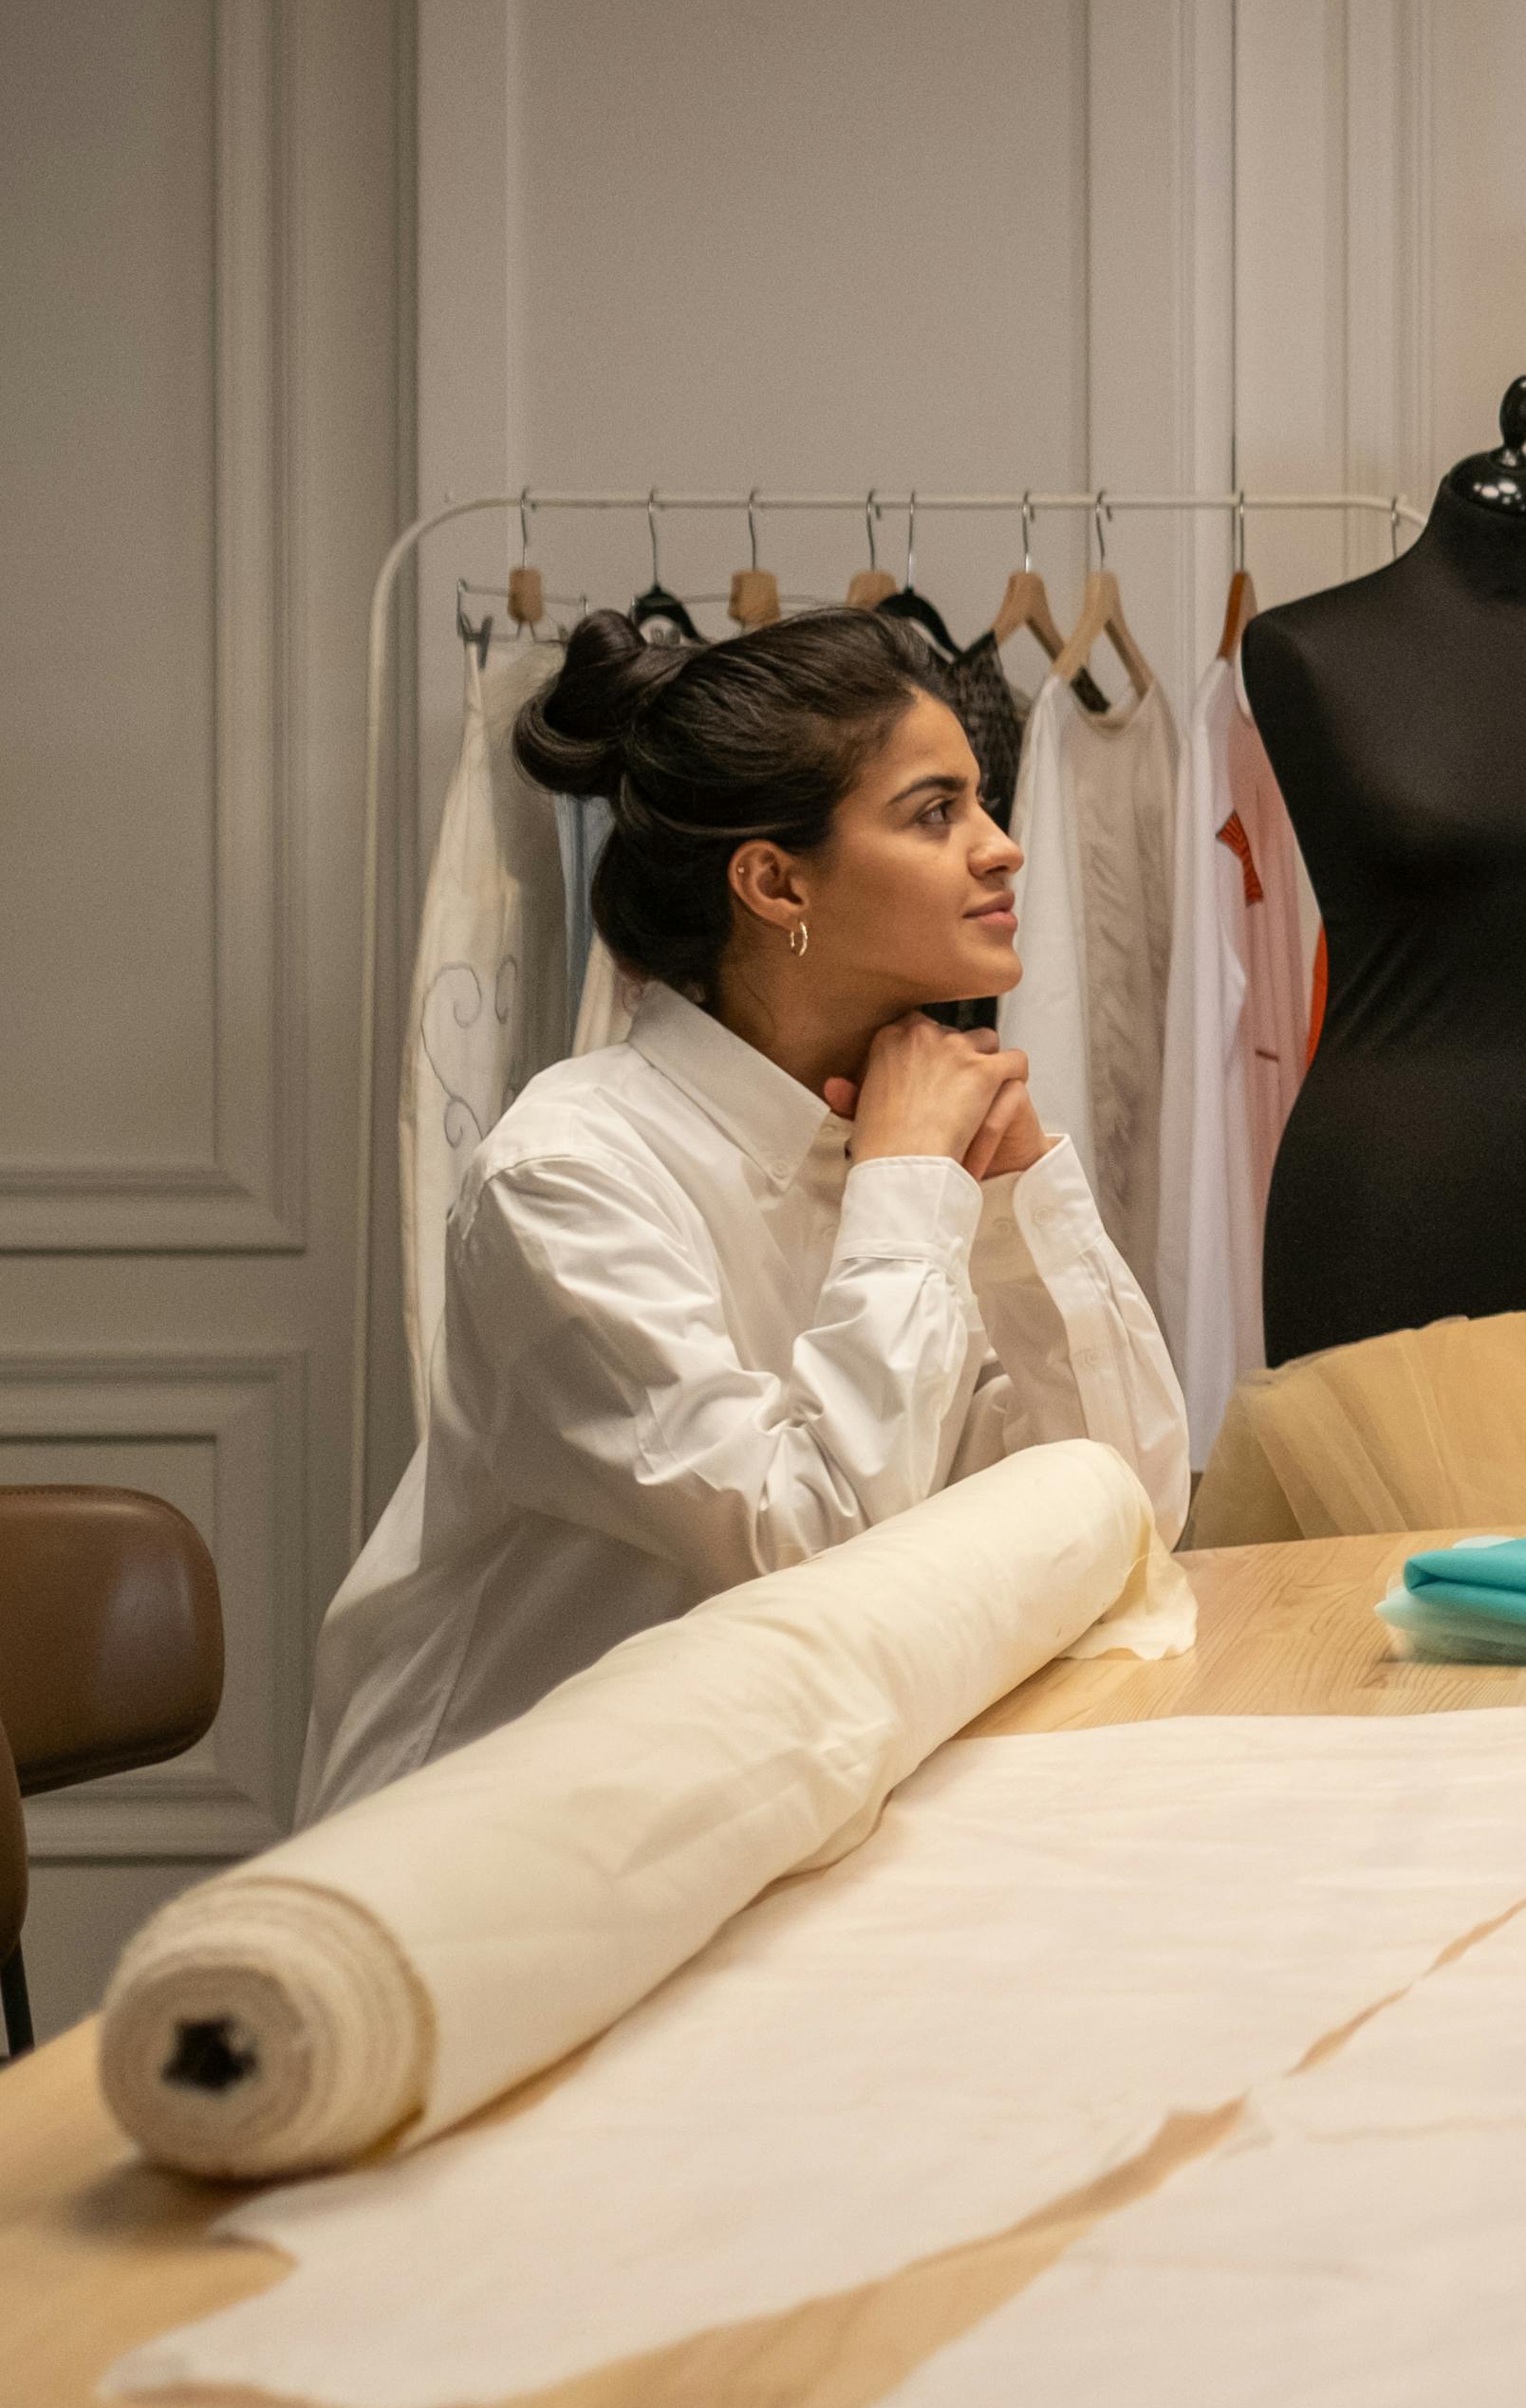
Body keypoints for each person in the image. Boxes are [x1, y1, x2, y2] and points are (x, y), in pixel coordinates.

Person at [304, 603, 1193, 1812]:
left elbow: (1127, 1502)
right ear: (774, 881)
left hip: (768, 1796)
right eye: (937, 812)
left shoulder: (900, 1135)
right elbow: (810, 1548)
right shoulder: (565, 1176)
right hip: (494, 1838)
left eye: (981, 803)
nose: (1001, 846)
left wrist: (1016, 1196)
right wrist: (911, 1190)